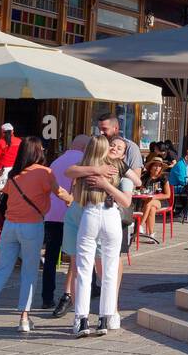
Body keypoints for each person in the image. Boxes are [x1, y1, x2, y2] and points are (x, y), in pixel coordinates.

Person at [0, 136, 69, 336]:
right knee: (29, 273)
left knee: (1, 271)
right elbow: (61, 194)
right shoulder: (44, 172)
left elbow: (6, 195)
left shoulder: (14, 174)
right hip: (32, 226)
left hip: (9, 226)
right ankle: (24, 318)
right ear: (37, 151)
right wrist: (75, 199)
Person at [65, 134, 133, 337]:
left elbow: (70, 177)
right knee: (110, 270)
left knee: (84, 269)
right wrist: (107, 183)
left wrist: (98, 178)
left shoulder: (85, 167)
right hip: (111, 215)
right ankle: (104, 318)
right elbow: (127, 200)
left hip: (91, 213)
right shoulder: (114, 167)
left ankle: (82, 319)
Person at [46, 134, 90, 316]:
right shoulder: (84, 162)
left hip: (51, 213)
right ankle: (71, 294)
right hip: (73, 214)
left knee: (51, 255)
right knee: (74, 255)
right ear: (83, 147)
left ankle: (46, 296)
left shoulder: (55, 162)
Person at [136, 156, 172, 242]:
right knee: (151, 208)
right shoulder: (145, 177)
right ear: (150, 167)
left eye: (159, 166)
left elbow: (168, 195)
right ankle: (151, 234)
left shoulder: (163, 178)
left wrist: (154, 197)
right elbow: (140, 190)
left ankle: (140, 225)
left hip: (161, 201)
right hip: (147, 202)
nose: (157, 168)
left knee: (150, 202)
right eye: (155, 166)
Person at [96, 114, 142, 178]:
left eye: (104, 129)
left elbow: (136, 179)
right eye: (99, 129)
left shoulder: (131, 147)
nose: (101, 132)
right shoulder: (97, 145)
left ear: (116, 128)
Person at [0, 123, 21, 192]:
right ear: (12, 131)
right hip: (15, 170)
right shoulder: (19, 141)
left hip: (2, 170)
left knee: (0, 190)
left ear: (2, 132)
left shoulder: (0, 142)